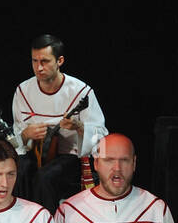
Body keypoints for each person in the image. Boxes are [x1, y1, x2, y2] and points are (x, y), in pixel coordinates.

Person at [10, 34, 108, 213]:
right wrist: (25, 135)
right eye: (34, 61)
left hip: (69, 157)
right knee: (19, 170)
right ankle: (20, 222)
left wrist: (79, 127)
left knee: (45, 177)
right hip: (37, 153)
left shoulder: (81, 91)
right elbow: (15, 142)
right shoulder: (23, 91)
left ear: (60, 61)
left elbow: (100, 135)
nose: (39, 68)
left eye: (45, 61)